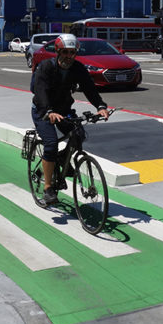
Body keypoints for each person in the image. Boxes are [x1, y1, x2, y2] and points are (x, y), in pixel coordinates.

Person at [31, 33, 109, 205]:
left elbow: (90, 89)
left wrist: (101, 106)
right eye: (65, 52)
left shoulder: (78, 68)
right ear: (58, 51)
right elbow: (40, 91)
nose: (69, 56)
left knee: (79, 135)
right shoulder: (46, 67)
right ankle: (48, 188)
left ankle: (61, 158)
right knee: (50, 144)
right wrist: (48, 111)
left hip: (64, 110)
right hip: (42, 111)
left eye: (72, 52)